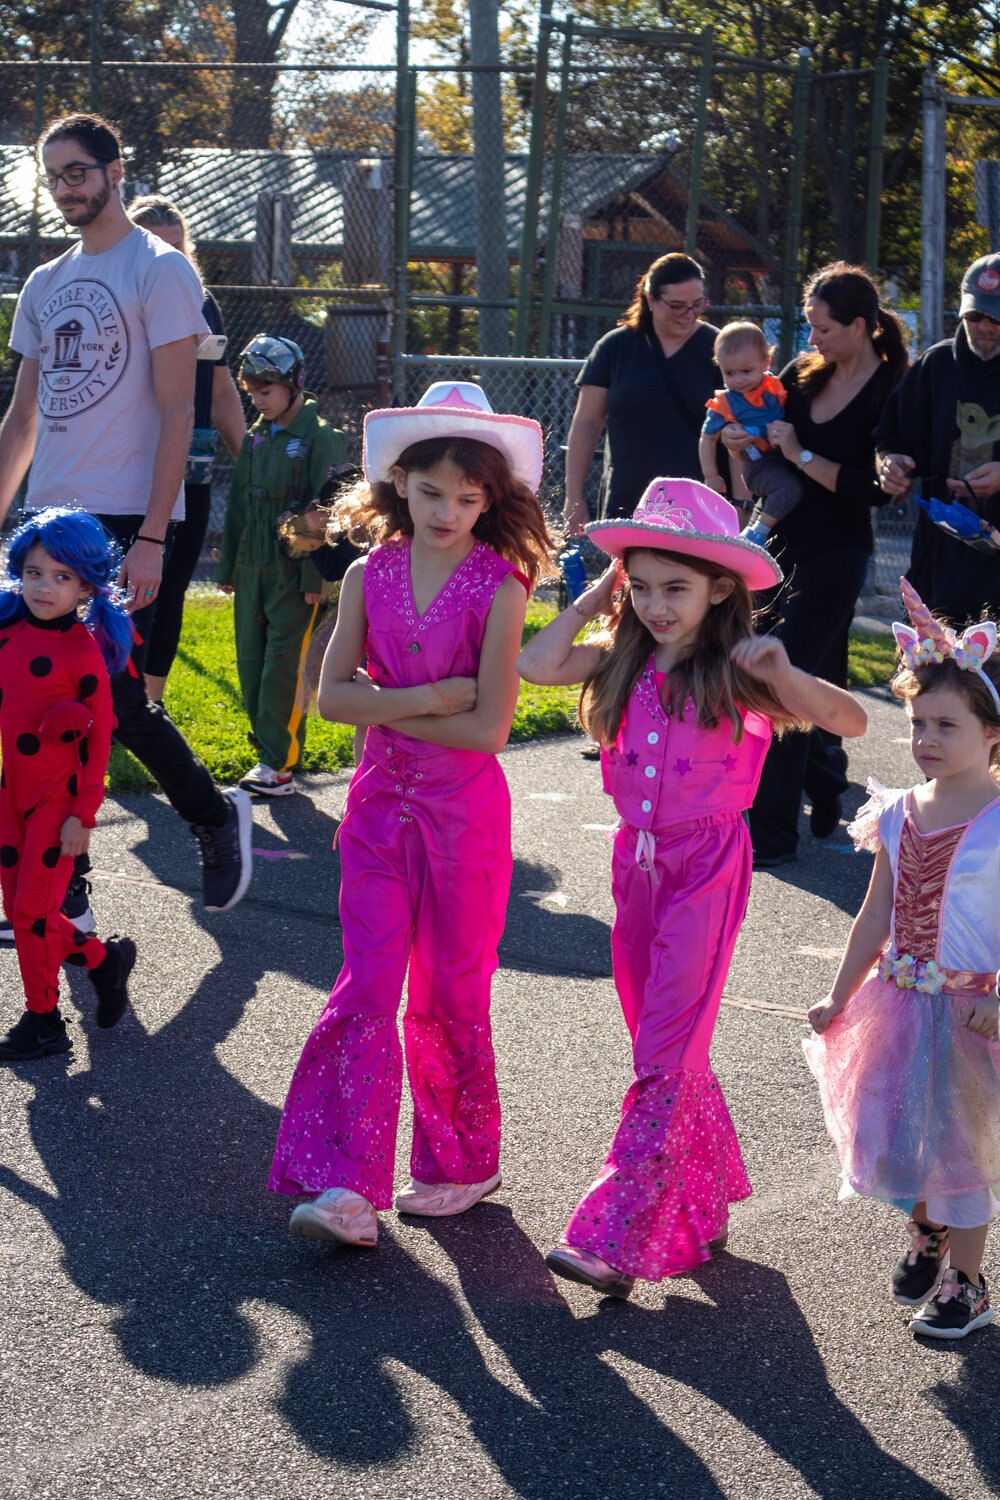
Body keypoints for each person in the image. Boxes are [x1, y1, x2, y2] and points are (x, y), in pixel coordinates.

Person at [517, 477, 867, 1297]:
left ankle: (615, 1232)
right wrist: (598, 593)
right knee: (668, 1044)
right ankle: (702, 1202)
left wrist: (786, 670)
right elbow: (535, 665)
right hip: (634, 866)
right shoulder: (621, 653)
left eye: (675, 588)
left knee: (664, 1051)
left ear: (720, 589)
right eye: (641, 586)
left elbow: (847, 721)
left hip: (706, 865)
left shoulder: (739, 669)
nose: (656, 604)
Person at [268, 382, 554, 1246]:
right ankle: (344, 1185)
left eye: (470, 499)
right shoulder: (367, 573)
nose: (449, 510)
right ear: (399, 481)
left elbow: (488, 730)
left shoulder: (504, 586)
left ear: (491, 501)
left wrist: (388, 699)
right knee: (366, 983)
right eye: (432, 492)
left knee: (451, 988)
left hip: (464, 820)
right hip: (376, 815)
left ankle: (463, 1161)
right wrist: (433, 692)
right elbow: (328, 702)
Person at [0, 112, 252, 913]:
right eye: (55, 177)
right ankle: (64, 884)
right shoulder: (44, 283)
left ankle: (214, 817)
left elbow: (180, 413)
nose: (67, 188)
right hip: (50, 513)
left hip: (125, 521)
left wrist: (151, 537)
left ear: (115, 170)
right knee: (40, 700)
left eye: (78, 172)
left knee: (111, 696)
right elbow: (22, 420)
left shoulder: (161, 270)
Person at [805, 579, 1000, 1340]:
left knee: (965, 1150)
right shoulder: (895, 812)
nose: (925, 740)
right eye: (918, 723)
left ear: (992, 732)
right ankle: (929, 1233)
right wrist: (839, 993)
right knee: (907, 1134)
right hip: (899, 1004)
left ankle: (969, 1284)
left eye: (946, 725)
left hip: (974, 1011)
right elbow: (874, 915)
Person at [721, 262, 909, 867]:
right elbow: (759, 451)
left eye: (822, 328)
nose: (811, 340)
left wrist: (799, 453)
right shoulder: (800, 378)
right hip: (777, 544)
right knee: (759, 673)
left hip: (838, 551)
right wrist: (737, 444)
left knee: (782, 678)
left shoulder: (892, 387)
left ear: (859, 326)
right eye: (808, 327)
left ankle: (771, 836)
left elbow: (870, 490)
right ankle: (825, 773)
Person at [0, 510, 137, 1062]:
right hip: (10, 798)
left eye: (60, 577)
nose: (43, 587)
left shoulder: (84, 652)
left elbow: (99, 743)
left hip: (58, 807)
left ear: (85, 585)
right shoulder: (6, 635)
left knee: (31, 914)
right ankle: (104, 962)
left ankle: (44, 1021)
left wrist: (84, 816)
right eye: (34, 572)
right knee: (27, 912)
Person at [126, 194, 246, 707]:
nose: (172, 261)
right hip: (129, 466)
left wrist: (252, 463)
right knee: (120, 594)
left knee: (170, 588)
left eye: (179, 248)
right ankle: (111, 703)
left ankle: (148, 707)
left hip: (191, 468)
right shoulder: (121, 296)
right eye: (159, 247)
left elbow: (220, 391)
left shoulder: (203, 302)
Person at [216, 334, 349, 796]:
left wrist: (318, 577)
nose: (257, 400)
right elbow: (236, 505)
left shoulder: (321, 438)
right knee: (251, 662)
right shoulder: (255, 437)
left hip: (295, 575)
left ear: (294, 385)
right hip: (253, 569)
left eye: (265, 391)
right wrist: (230, 566)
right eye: (250, 392)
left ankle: (280, 764)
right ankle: (267, 750)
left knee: (284, 667)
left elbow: (331, 512)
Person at [877, 251, 1000, 624]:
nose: (985, 326)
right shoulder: (937, 365)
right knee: (930, 671)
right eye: (975, 315)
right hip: (940, 554)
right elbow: (890, 438)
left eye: (996, 317)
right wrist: (889, 465)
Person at [562, 252, 720, 537]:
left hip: (699, 506)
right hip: (627, 500)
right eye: (677, 306)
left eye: (697, 304)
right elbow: (586, 423)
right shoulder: (614, 347)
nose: (689, 313)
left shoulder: (719, 348)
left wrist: (740, 504)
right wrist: (573, 496)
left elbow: (741, 430)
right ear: (650, 299)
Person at [699, 320, 802, 547]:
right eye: (729, 373)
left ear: (766, 362)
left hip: (781, 458)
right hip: (758, 466)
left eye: (746, 371)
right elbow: (707, 438)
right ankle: (757, 533)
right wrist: (711, 474)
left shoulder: (774, 387)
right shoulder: (725, 401)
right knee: (790, 489)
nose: (738, 380)